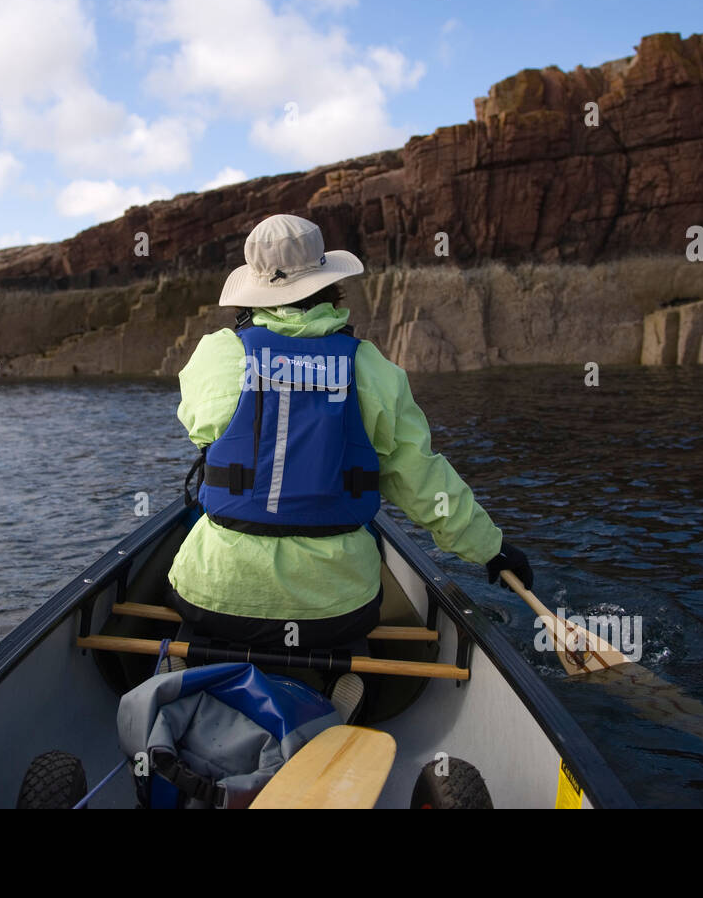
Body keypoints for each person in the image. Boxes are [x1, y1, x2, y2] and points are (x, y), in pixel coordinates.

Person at [166, 214, 533, 720]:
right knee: (366, 559)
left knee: (202, 586)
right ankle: (341, 673)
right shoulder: (372, 368)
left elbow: (199, 427)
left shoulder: (218, 354)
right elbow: (424, 483)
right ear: (331, 286)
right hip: (334, 612)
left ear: (251, 293)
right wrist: (491, 549)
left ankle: (189, 660)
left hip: (216, 598)